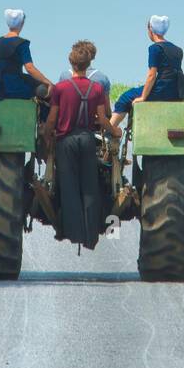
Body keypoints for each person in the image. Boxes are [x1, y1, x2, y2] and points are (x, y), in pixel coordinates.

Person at [44, 40, 120, 249]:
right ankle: (90, 237)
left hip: (66, 141)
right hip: (87, 140)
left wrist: (46, 134)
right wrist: (115, 131)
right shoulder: (96, 88)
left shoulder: (60, 87)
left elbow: (52, 118)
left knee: (69, 187)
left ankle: (70, 232)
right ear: (88, 63)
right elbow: (104, 119)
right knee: (90, 187)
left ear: (71, 62)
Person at [110, 15, 184, 128]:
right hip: (176, 94)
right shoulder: (178, 50)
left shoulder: (155, 48)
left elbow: (152, 75)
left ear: (150, 30)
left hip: (160, 91)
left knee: (125, 98)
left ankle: (109, 132)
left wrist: (143, 97)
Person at [0, 8, 52, 100]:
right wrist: (47, 82)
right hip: (16, 88)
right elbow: (29, 68)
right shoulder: (22, 44)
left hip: (1, 87)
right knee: (43, 88)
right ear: (22, 24)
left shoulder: (0, 41)